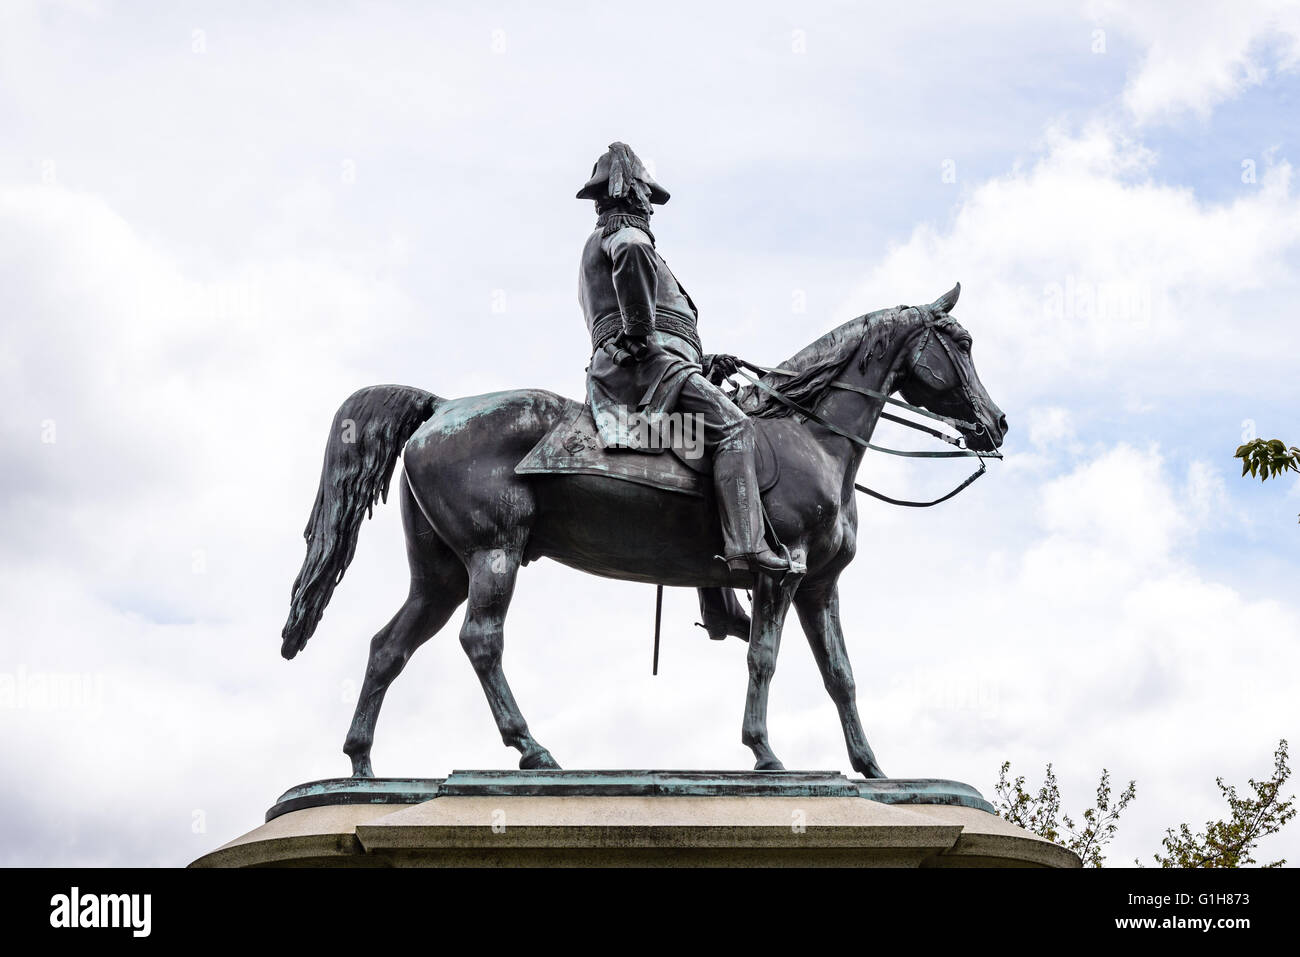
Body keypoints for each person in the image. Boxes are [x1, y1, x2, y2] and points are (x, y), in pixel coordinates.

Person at [576, 142, 791, 585]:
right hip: (642, 371)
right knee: (735, 428)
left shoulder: (608, 239)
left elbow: (653, 321)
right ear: (630, 192)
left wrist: (704, 360)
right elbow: (636, 314)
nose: (650, 210)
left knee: (705, 455)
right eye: (646, 198)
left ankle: (718, 600)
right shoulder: (627, 237)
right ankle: (748, 544)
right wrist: (641, 336)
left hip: (655, 364)